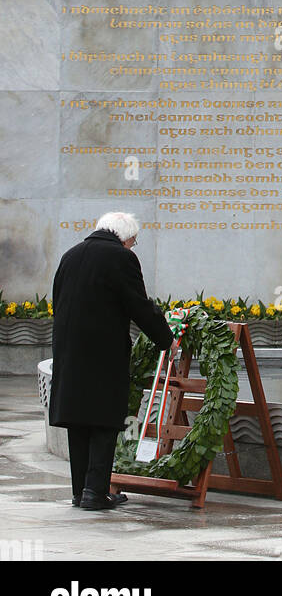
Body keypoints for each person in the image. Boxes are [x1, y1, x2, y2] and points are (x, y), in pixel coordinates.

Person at [49, 211, 177, 510]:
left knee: (78, 420)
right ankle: (96, 492)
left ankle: (80, 491)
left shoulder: (71, 255)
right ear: (125, 237)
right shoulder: (121, 258)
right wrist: (166, 339)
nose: (133, 247)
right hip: (103, 353)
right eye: (133, 242)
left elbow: (58, 302)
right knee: (104, 419)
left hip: (69, 352)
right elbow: (138, 305)